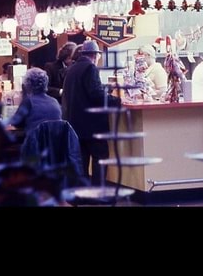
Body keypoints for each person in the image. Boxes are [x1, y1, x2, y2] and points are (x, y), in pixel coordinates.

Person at [61, 38, 121, 185]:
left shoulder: (72, 69)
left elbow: (83, 90)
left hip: (75, 124)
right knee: (100, 157)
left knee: (82, 160)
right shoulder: (90, 68)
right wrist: (117, 101)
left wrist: (105, 87)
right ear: (95, 55)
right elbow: (95, 95)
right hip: (92, 125)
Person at [7, 67, 62, 133]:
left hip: (35, 141)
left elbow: (16, 123)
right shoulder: (54, 101)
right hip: (54, 142)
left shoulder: (29, 102)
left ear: (27, 84)